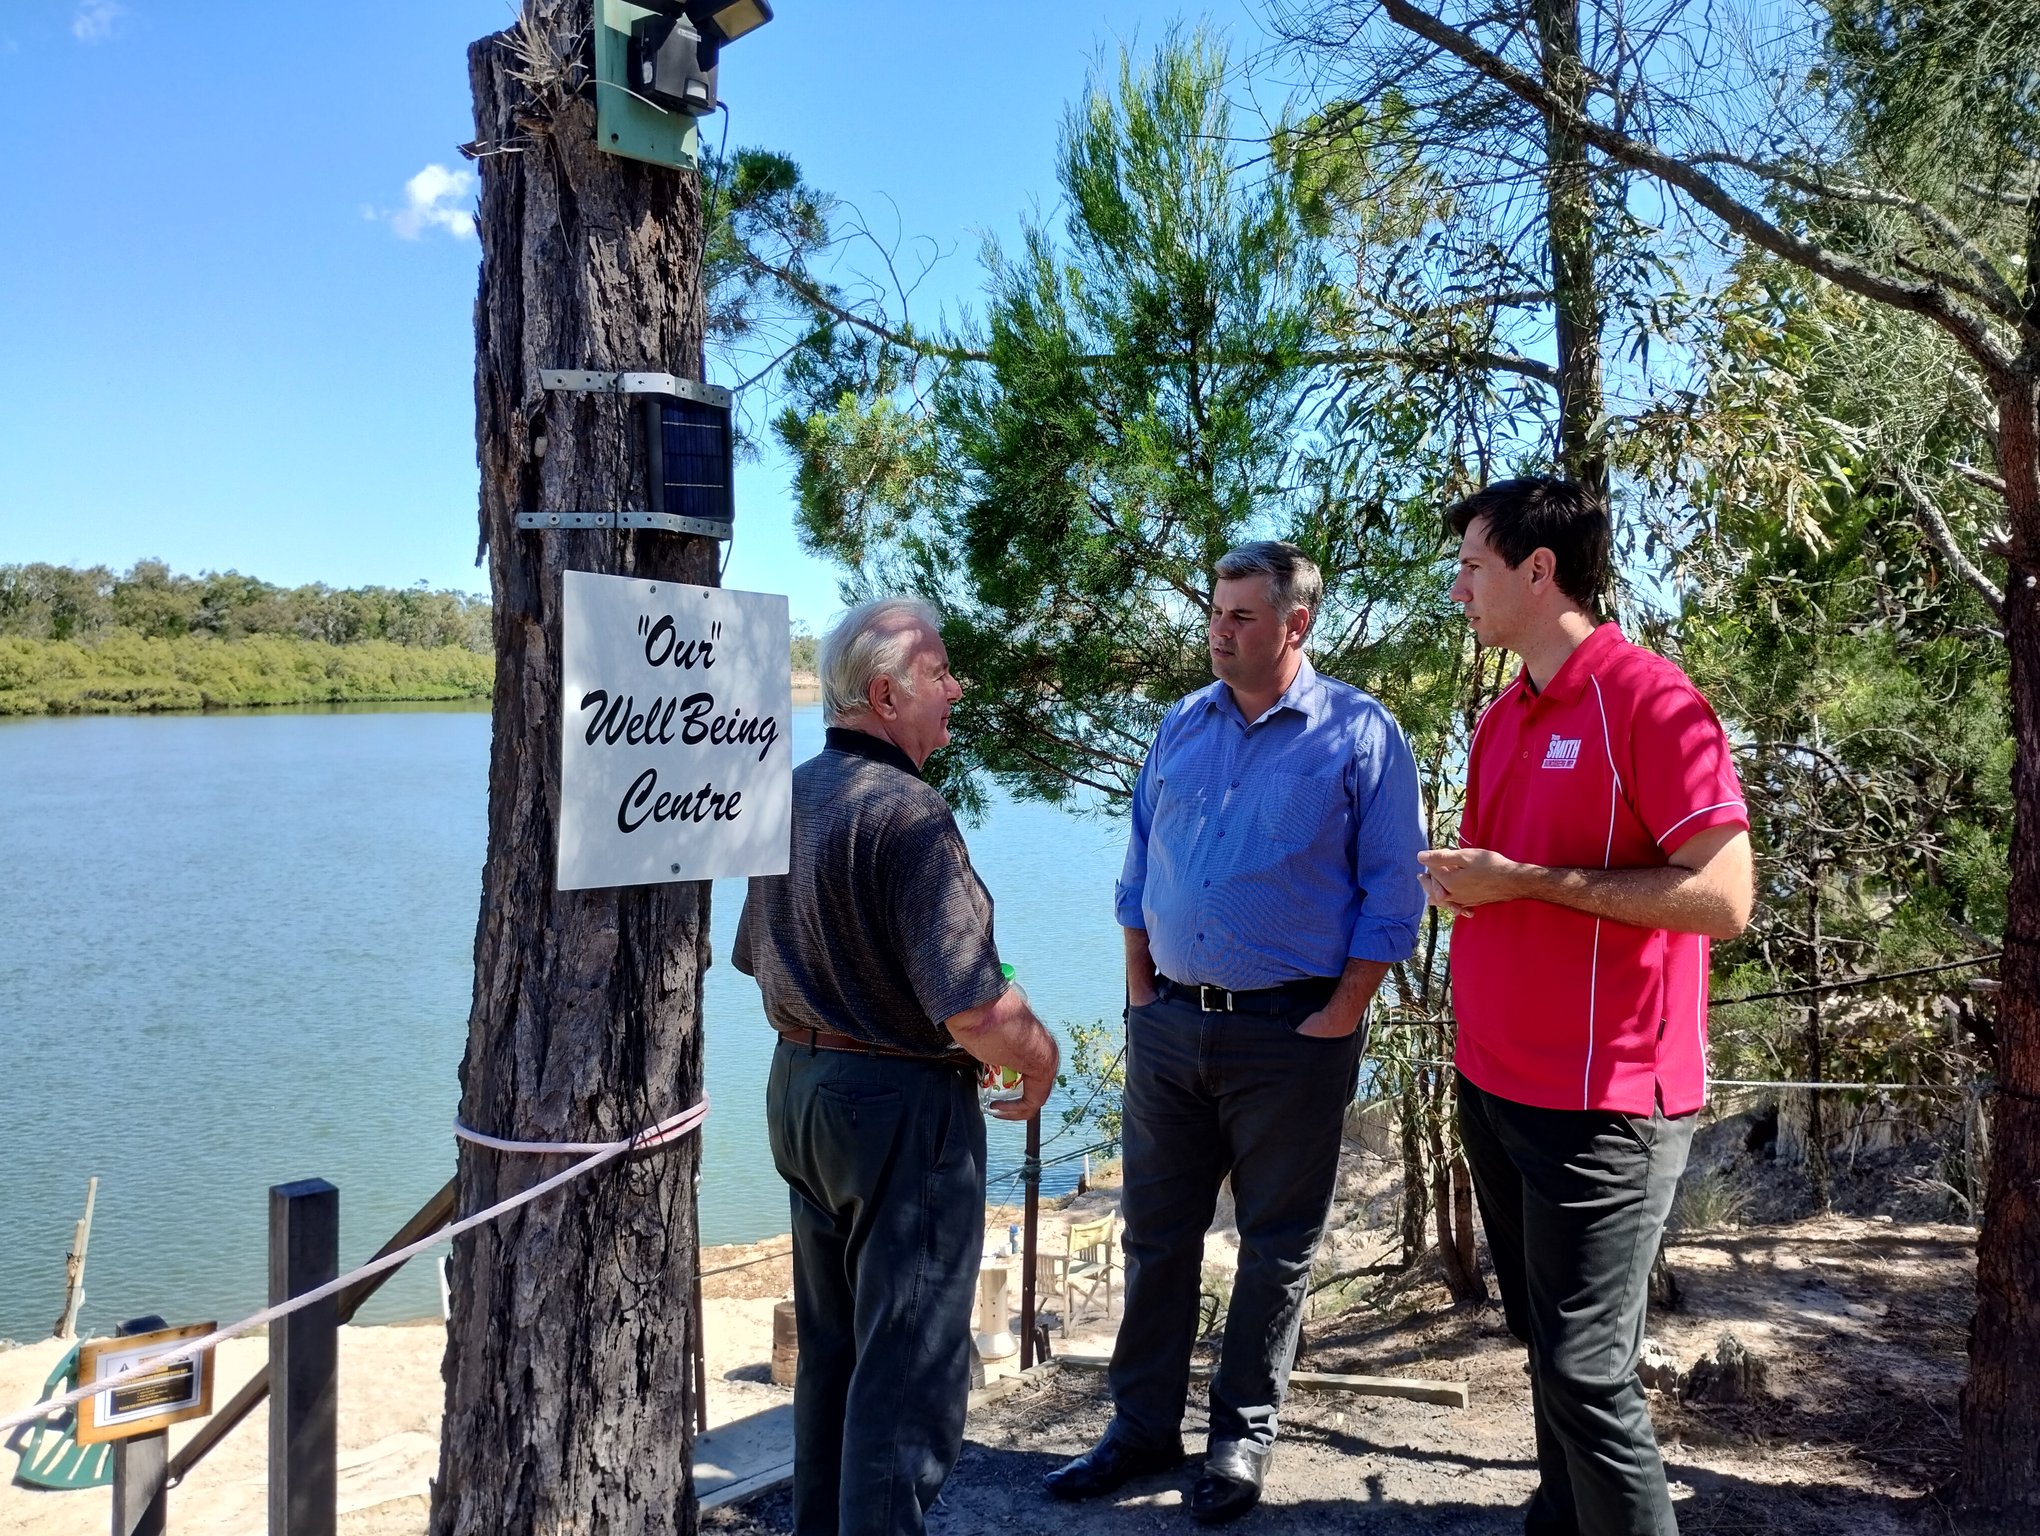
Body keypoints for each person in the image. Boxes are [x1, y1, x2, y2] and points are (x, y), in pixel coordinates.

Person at [1045, 541, 1426, 1524]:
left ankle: (1240, 1437)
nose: (1219, 631)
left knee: (1276, 1246)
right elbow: (1139, 866)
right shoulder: (1180, 724)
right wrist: (1141, 992)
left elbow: (1394, 893)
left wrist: (1340, 1014)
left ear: (1295, 625)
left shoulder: (1362, 735)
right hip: (1172, 1026)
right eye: (1214, 614)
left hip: (1289, 1038)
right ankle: (1139, 1432)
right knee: (1155, 1237)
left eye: (1241, 618)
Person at [1418, 478, 1753, 1536]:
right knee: (1545, 1347)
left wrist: (1523, 880)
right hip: (1496, 1083)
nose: (1459, 586)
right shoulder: (1502, 715)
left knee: (1588, 1370)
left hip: (1606, 1100)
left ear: (1537, 569)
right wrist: (1470, 882)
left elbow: (1723, 896)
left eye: (1473, 564)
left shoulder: (1650, 700)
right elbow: (1507, 876)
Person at [733, 596, 1061, 1536]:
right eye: (941, 671)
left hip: (799, 1094)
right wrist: (1035, 1055)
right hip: (897, 1109)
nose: (956, 688)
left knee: (834, 1354)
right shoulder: (912, 815)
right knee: (909, 1373)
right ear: (885, 693)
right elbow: (975, 1011)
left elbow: (759, 954)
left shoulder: (786, 791)